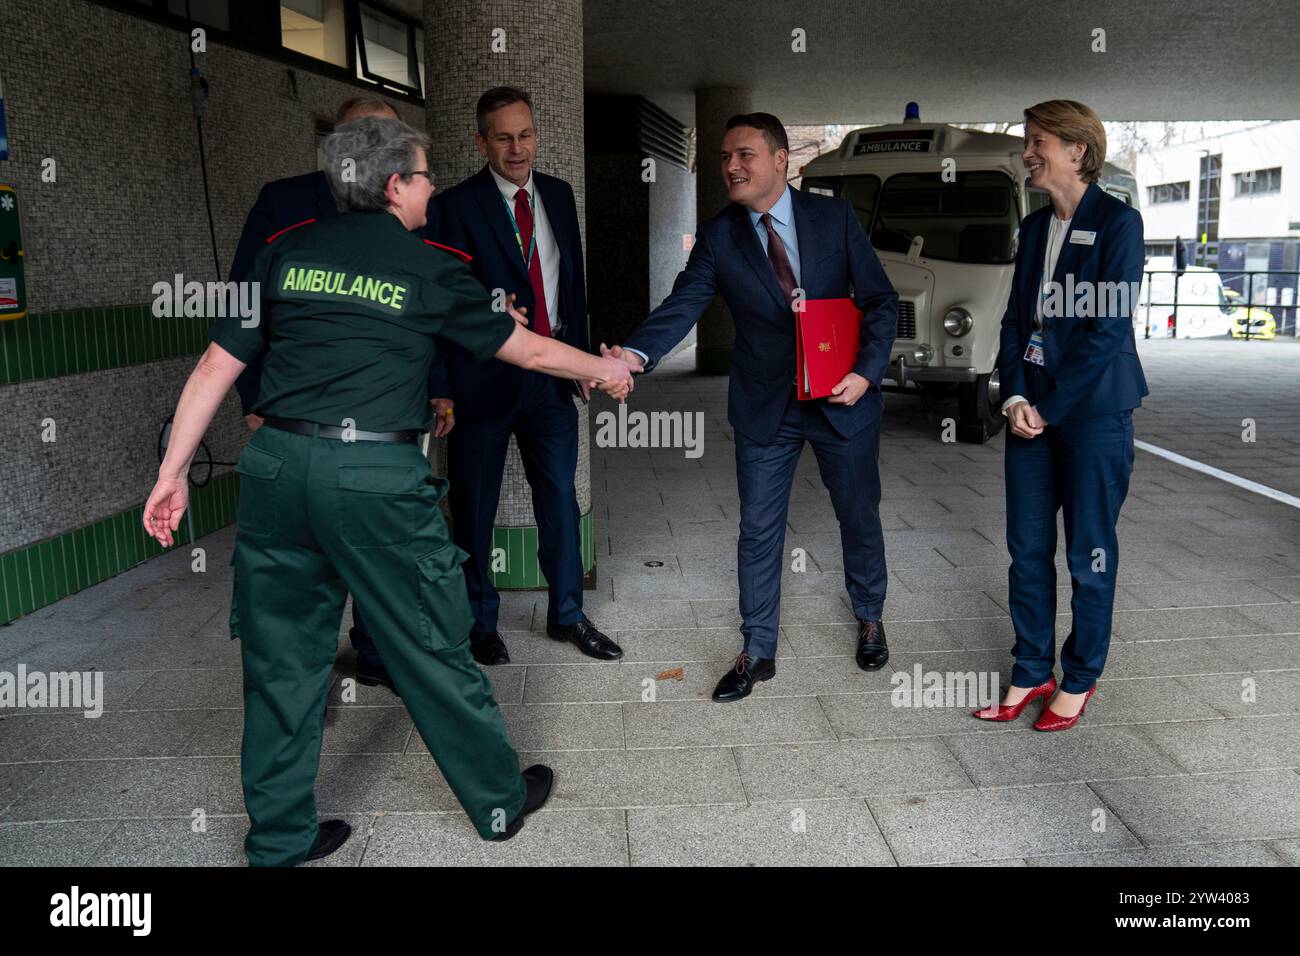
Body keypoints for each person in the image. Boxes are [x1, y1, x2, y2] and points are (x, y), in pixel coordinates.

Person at [142, 117, 634, 865]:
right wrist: (605, 370)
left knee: (280, 661)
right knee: (431, 643)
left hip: (277, 467)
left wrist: (172, 472)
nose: (434, 186)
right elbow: (528, 349)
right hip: (373, 478)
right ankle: (497, 801)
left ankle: (279, 839)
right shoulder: (429, 265)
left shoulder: (282, 254)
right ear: (396, 185)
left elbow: (216, 367)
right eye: (427, 174)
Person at [608, 112, 899, 702]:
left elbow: (881, 301)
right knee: (758, 530)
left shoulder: (833, 217)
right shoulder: (721, 236)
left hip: (842, 399)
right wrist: (635, 355)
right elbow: (684, 302)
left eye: (744, 154)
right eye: (724, 157)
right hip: (767, 407)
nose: (731, 166)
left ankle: (870, 614)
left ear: (780, 159)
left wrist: (866, 375)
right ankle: (757, 650)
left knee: (858, 514)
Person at [228, 95, 454, 693]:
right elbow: (243, 304)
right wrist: (255, 403)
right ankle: (308, 672)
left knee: (380, 547)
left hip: (385, 416)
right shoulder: (284, 201)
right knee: (304, 562)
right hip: (298, 414)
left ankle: (378, 652)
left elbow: (424, 307)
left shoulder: (410, 206)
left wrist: (438, 389)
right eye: (362, 135)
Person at [429, 87, 622, 665]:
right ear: (482, 141)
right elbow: (441, 302)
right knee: (474, 507)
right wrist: (440, 385)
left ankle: (568, 614)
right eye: (505, 137)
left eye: (526, 134)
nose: (518, 148)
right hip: (481, 382)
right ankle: (479, 623)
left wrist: (582, 360)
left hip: (552, 380)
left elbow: (571, 288)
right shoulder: (454, 206)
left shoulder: (559, 196)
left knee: (560, 498)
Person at [974, 99, 1147, 731]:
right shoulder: (1035, 227)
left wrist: (1048, 407)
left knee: (1089, 551)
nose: (1027, 152)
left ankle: (1080, 677)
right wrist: (1015, 397)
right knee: (1026, 549)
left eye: (1037, 140)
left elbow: (1106, 333)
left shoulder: (1119, 225)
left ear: (1077, 149)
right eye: (1028, 140)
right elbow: (1018, 321)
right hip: (1033, 411)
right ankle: (1031, 669)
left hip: (1093, 415)